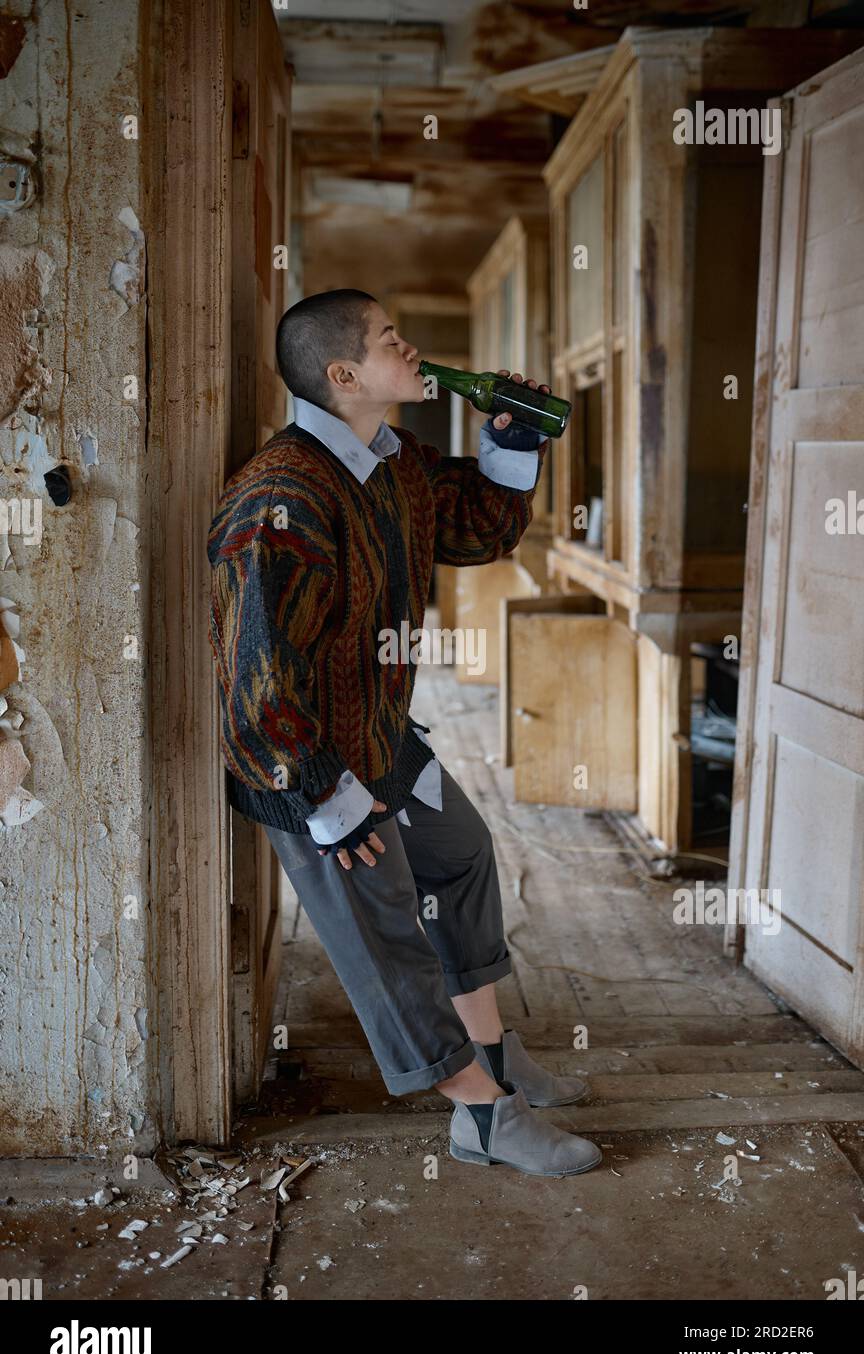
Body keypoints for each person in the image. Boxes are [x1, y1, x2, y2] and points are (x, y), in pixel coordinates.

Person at [206, 289, 601, 1177]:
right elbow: (255, 673)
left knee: (461, 854)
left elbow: (478, 527)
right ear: (345, 374)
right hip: (307, 765)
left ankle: (494, 1054)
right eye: (392, 339)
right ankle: (480, 1116)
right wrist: (327, 801)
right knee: (382, 930)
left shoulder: (392, 461)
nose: (412, 347)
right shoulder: (279, 498)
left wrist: (510, 439)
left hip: (384, 735)